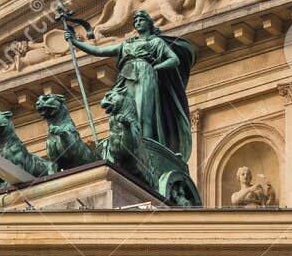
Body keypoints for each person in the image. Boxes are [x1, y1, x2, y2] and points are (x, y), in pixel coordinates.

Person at [64, 9, 196, 162]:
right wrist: (74, 42)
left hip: (146, 75)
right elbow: (99, 51)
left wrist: (155, 68)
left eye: (141, 20)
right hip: (126, 77)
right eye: (136, 21)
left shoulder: (156, 42)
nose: (138, 23)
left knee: (144, 113)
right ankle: (127, 142)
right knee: (124, 114)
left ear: (149, 23)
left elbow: (174, 60)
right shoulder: (127, 44)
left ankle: (146, 148)